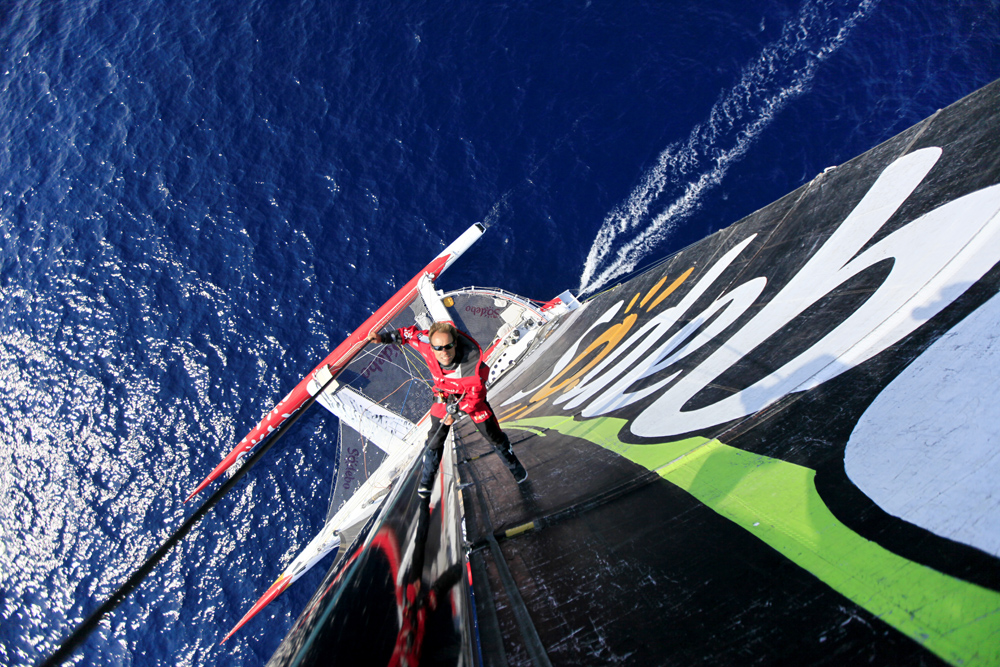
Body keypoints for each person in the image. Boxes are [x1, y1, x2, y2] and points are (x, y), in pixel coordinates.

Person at [368, 321, 527, 497]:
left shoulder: (473, 367)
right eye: (438, 348)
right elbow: (406, 334)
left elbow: (477, 397)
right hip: (444, 397)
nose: (444, 352)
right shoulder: (426, 345)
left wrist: (456, 413)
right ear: (431, 346)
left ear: (456, 343)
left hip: (470, 399)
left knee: (493, 435)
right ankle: (427, 481)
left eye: (448, 346)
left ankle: (515, 467)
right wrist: (382, 338)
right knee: (434, 439)